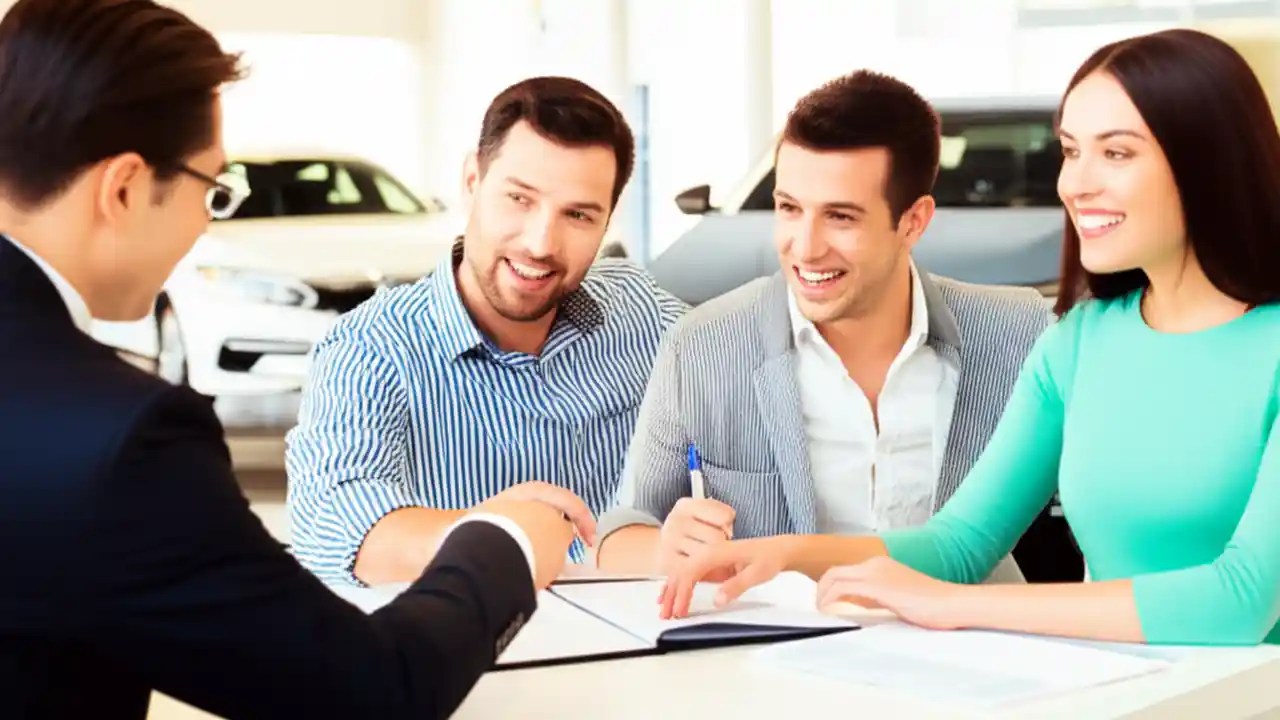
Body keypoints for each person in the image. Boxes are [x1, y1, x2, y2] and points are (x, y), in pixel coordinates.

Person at [0, 1, 585, 718]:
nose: (201, 221)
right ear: (123, 188)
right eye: (211, 191)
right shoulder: (120, 441)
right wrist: (503, 541)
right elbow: (368, 691)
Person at [659, 29, 1280, 647]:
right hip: (1126, 694)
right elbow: (959, 545)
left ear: (1208, 161)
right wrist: (781, 554)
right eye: (1070, 150)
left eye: (1116, 153)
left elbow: (1241, 601)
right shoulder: (1079, 344)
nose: (1075, 183)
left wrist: (957, 607)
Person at [594, 70, 1051, 581]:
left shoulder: (1018, 333)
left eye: (840, 217)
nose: (805, 248)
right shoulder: (703, 345)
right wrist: (664, 548)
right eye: (789, 208)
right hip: (773, 651)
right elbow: (620, 530)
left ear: (914, 221)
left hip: (975, 643)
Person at [286, 76, 688, 588]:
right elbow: (333, 528)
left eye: (579, 215)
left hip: (646, 646)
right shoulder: (371, 348)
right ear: (472, 181)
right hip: (475, 655)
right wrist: (496, 537)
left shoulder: (642, 310)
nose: (541, 243)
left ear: (608, 220)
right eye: (520, 199)